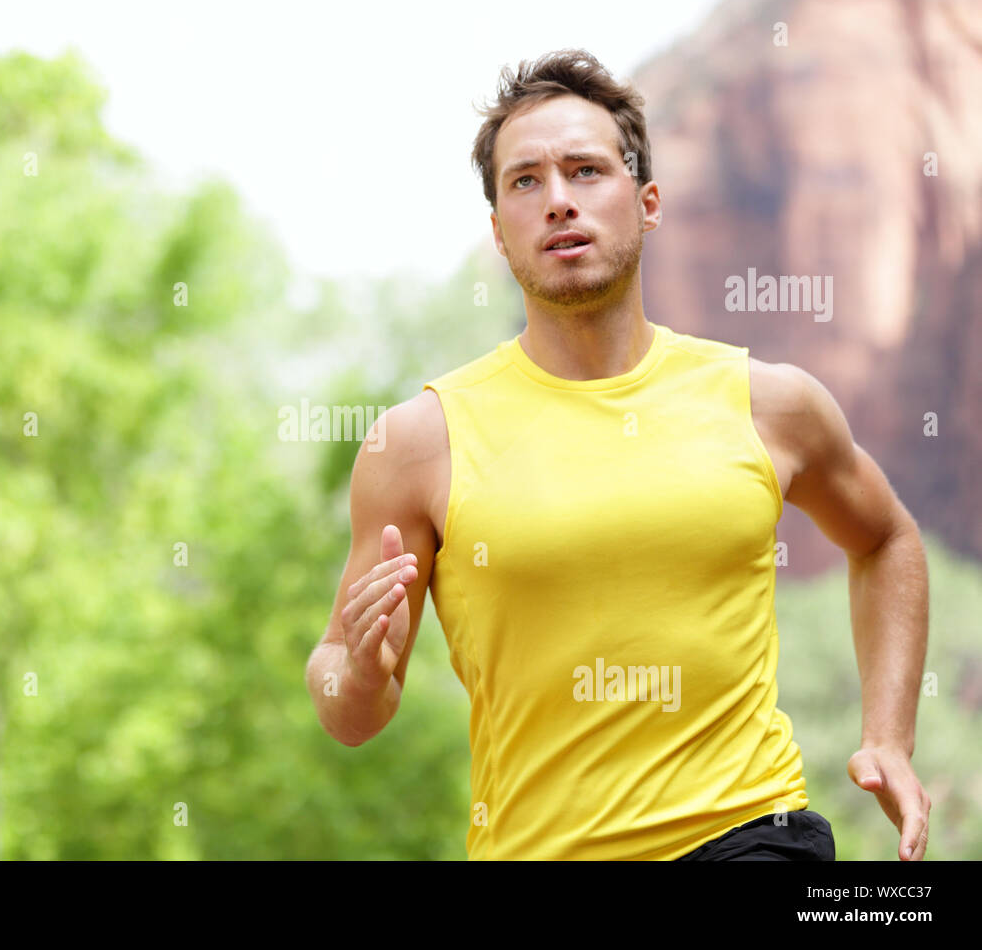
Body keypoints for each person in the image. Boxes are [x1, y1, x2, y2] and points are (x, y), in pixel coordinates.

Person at [304, 49, 931, 861]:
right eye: (525, 181)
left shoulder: (767, 401)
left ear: (648, 202)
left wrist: (889, 735)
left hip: (748, 835)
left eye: (586, 170)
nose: (558, 200)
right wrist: (355, 674)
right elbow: (349, 710)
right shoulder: (420, 442)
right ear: (499, 231)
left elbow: (885, 539)